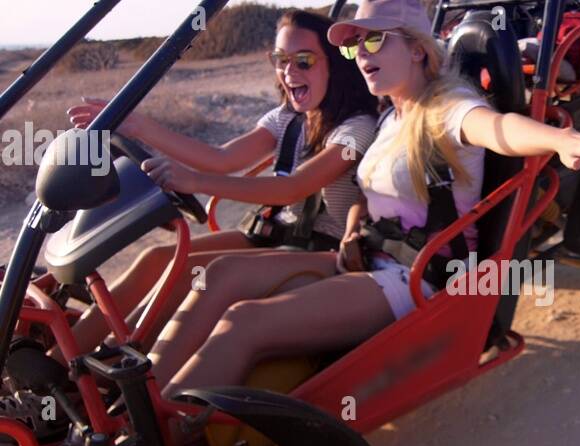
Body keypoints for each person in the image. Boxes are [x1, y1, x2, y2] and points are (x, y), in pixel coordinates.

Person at [149, 0, 580, 398]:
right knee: (221, 274)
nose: (361, 53)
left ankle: (161, 439)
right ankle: (140, 402)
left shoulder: (447, 106)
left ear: (419, 50)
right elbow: (368, 192)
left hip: (415, 279)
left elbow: (497, 129)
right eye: (356, 44)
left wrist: (559, 141)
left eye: (376, 39)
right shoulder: (388, 117)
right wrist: (354, 224)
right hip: (367, 258)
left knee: (245, 323)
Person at [63, 9, 378, 355]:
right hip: (277, 236)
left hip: (323, 249)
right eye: (280, 59)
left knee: (202, 275)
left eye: (304, 61)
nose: (289, 72)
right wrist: (137, 126)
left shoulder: (356, 129)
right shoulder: (288, 119)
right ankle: (61, 361)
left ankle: (120, 365)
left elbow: (293, 188)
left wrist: (195, 181)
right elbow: (223, 159)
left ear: (335, 64)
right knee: (155, 259)